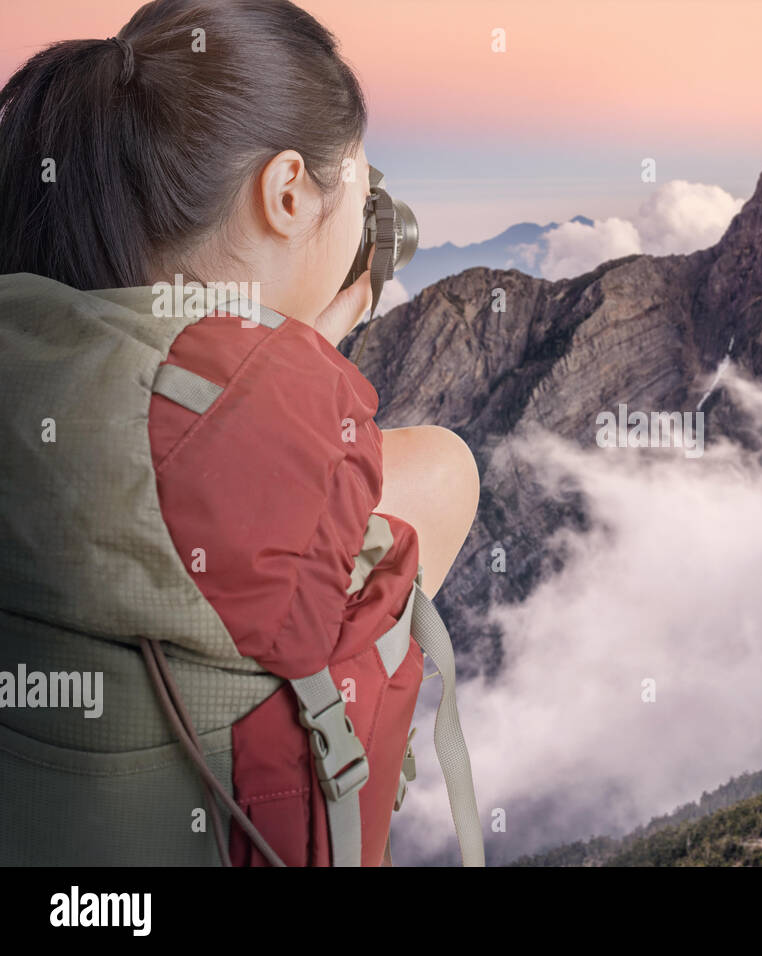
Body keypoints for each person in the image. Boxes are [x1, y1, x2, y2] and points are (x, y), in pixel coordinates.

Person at [0, 0, 480, 866]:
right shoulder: (415, 484)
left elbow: (133, 425)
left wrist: (259, 361)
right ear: (287, 192)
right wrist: (285, 369)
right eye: (361, 190)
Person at [0, 0, 478, 603]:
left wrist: (276, 361)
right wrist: (299, 366)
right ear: (287, 194)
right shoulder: (428, 482)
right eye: (361, 192)